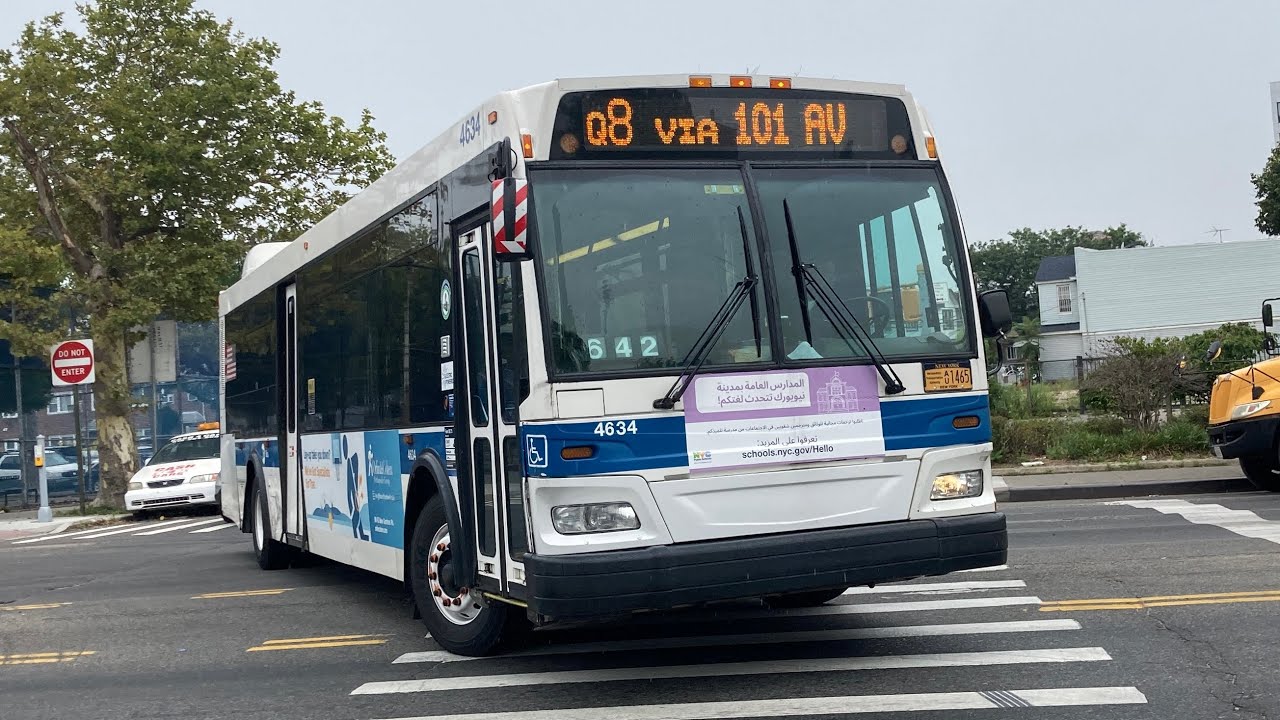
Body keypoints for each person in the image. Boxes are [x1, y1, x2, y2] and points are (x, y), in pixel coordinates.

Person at [344, 436, 368, 540]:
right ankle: (357, 533)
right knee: (356, 514)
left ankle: (359, 534)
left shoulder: (352, 460)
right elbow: (350, 484)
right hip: (354, 495)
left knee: (357, 514)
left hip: (355, 494)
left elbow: (352, 482)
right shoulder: (350, 462)